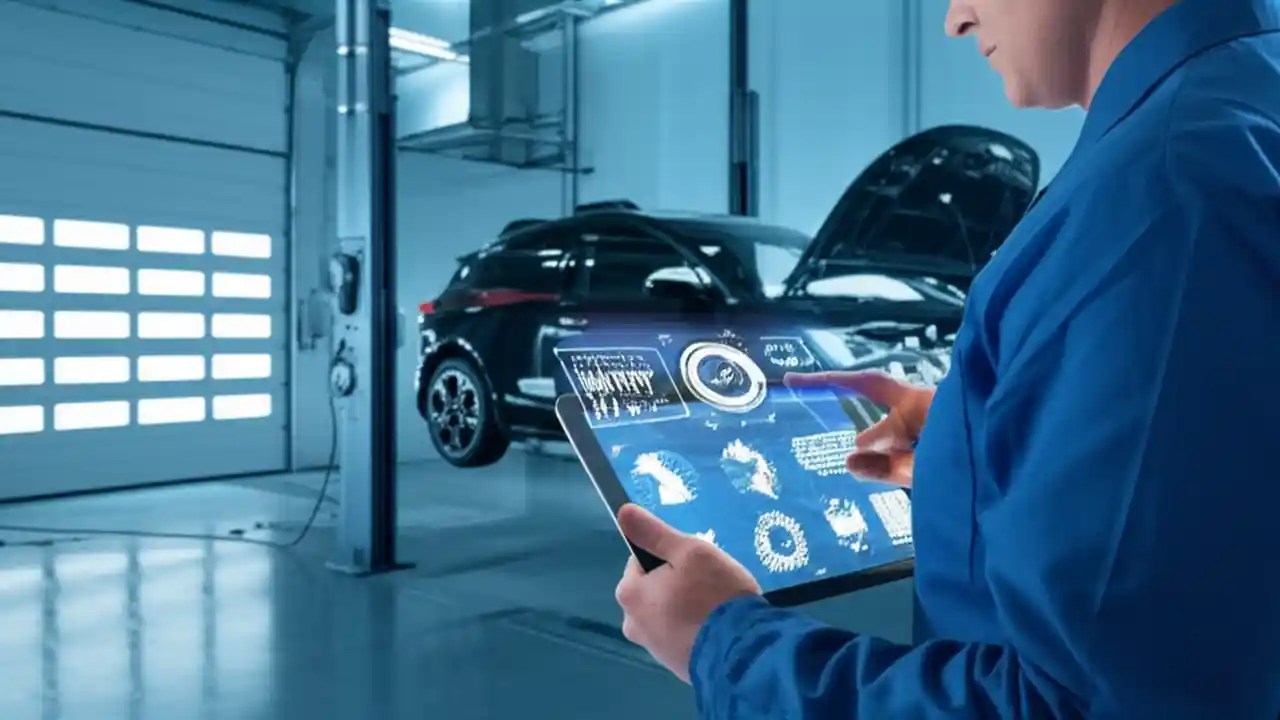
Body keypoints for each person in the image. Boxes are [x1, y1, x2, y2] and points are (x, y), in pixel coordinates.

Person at [612, 0, 1280, 716]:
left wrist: (725, 645)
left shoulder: (1161, 196)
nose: (954, 20)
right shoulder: (1238, 107)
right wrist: (989, 432)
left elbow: (1080, 704)